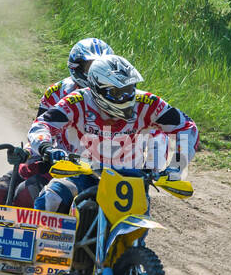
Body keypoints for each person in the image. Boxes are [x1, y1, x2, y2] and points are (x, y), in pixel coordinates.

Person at [30, 54, 198, 213]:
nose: (126, 97)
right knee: (51, 198)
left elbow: (187, 127)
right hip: (83, 171)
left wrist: (175, 167)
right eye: (117, 93)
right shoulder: (78, 101)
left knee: (139, 220)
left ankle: (134, 244)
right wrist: (45, 147)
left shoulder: (147, 103)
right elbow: (43, 123)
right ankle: (37, 240)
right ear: (97, 89)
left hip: (131, 178)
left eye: (129, 89)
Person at [0, 38, 114, 206]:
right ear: (76, 67)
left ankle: (35, 232)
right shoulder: (56, 92)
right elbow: (40, 129)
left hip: (85, 169)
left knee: (25, 195)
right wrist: (26, 153)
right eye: (92, 67)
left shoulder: (114, 98)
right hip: (50, 160)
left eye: (101, 67)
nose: (96, 73)